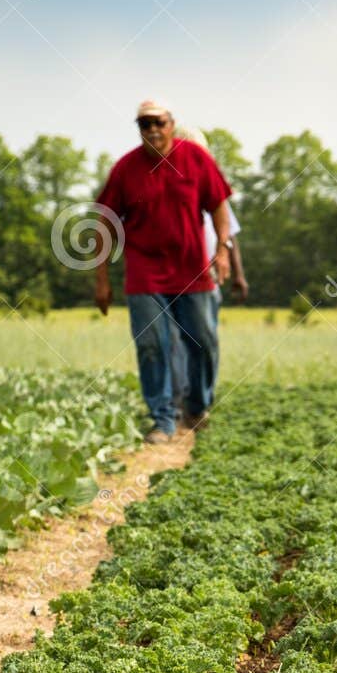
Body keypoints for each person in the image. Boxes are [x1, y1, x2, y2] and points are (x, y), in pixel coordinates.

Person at [95, 99, 232, 442]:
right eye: (145, 124)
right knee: (152, 345)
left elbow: (218, 207)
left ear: (171, 123)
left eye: (159, 122)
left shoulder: (196, 159)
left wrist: (223, 249)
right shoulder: (126, 169)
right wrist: (100, 279)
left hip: (192, 270)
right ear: (138, 128)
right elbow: (105, 223)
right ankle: (163, 420)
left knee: (203, 341)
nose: (153, 129)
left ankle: (197, 406)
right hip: (145, 273)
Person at [169, 125, 248, 421]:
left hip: (208, 280)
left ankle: (199, 402)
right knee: (174, 341)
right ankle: (179, 403)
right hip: (172, 279)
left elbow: (230, 237)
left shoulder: (214, 194)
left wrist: (239, 274)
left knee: (205, 341)